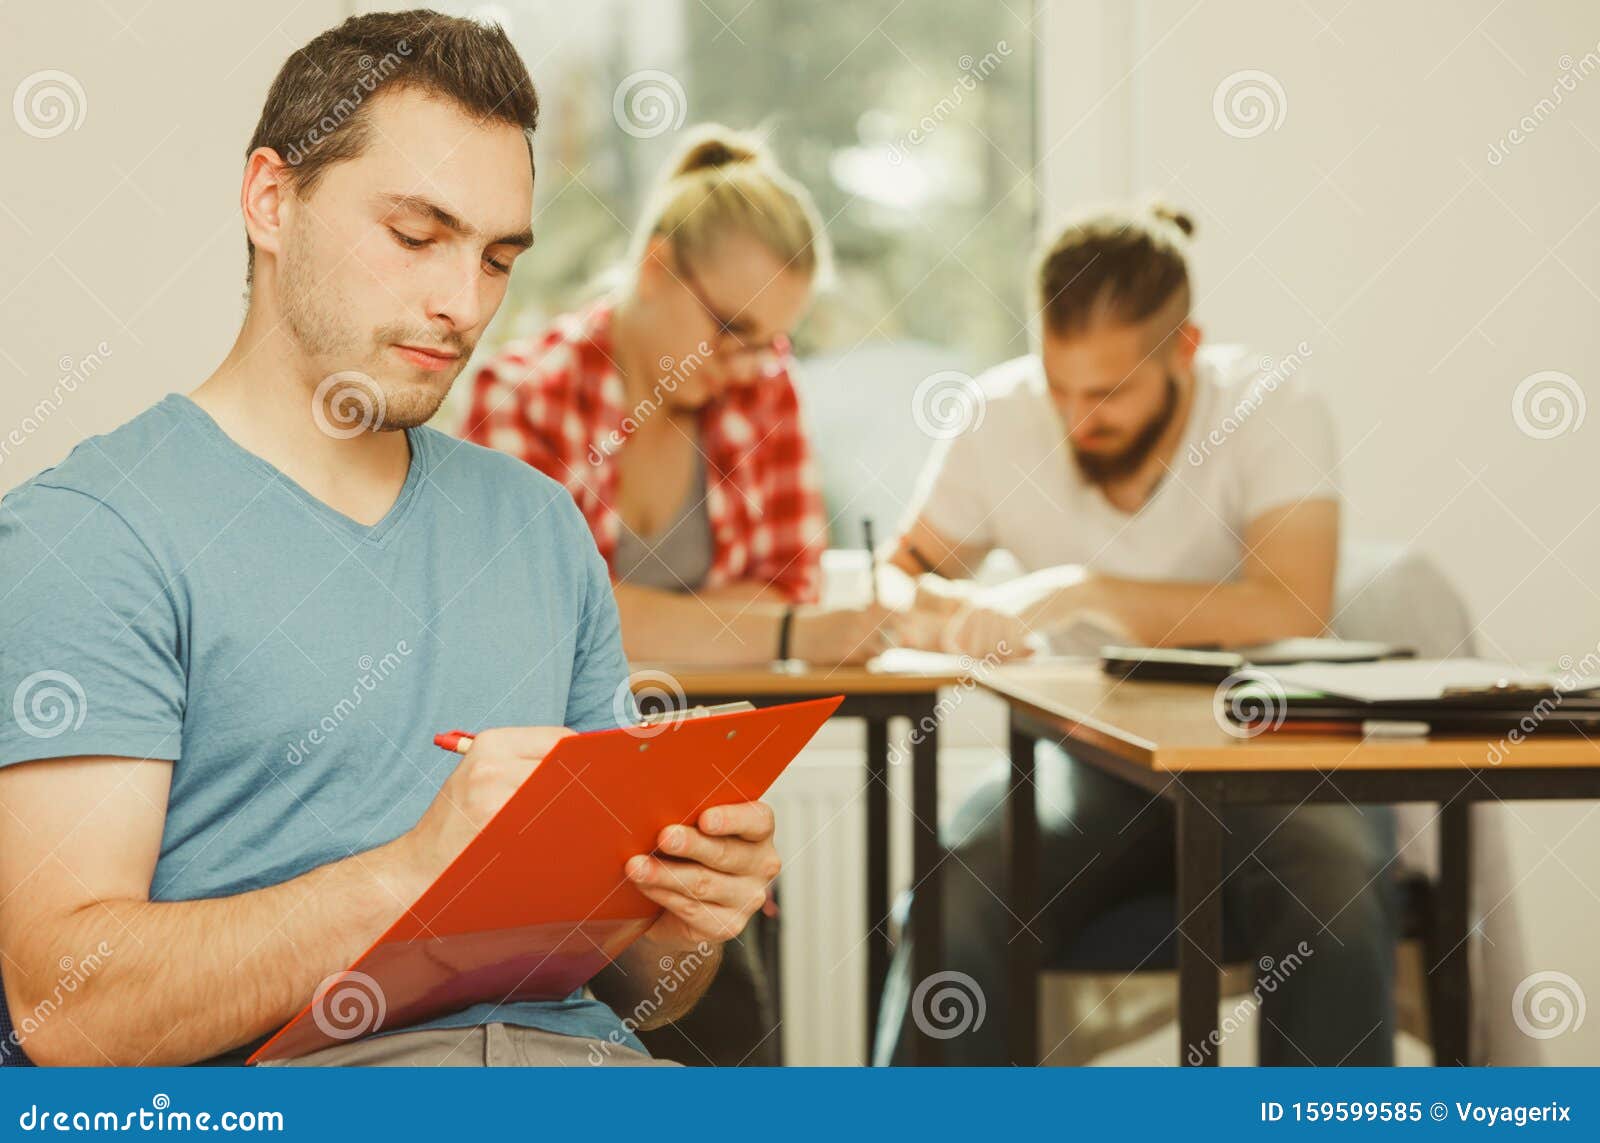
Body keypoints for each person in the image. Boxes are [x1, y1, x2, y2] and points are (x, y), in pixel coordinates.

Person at [0, 11, 780, 1069]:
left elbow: (648, 990)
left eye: (498, 257)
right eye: (416, 237)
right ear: (271, 200)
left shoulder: (539, 526)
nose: (462, 303)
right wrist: (412, 871)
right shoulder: (92, 535)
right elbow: (70, 1017)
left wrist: (685, 918)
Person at [873, 203, 1400, 1065]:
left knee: (1336, 892)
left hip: (1268, 748)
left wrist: (1082, 591)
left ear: (1184, 350)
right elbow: (897, 571)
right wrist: (936, 610)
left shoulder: (1271, 406)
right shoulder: (997, 415)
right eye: (1061, 386)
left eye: (1111, 391)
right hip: (1092, 758)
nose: (1080, 417)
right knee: (955, 893)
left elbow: (1290, 607)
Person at [459, 124, 909, 1065]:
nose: (754, 361)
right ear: (656, 267)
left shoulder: (762, 391)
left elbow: (772, 591)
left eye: (775, 338)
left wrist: (658, 616)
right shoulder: (524, 390)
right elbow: (545, 621)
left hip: (705, 778)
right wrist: (761, 624)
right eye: (734, 328)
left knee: (734, 1020)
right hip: (565, 777)